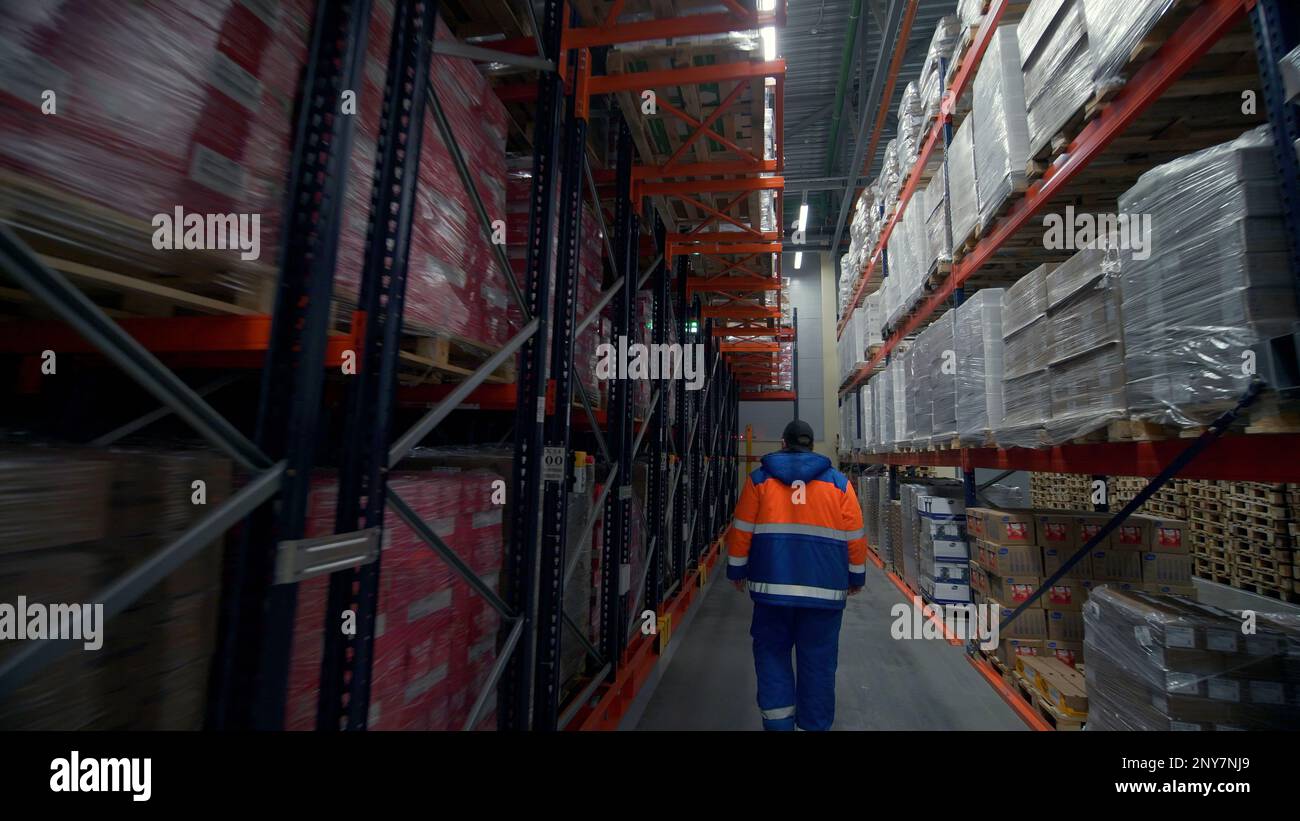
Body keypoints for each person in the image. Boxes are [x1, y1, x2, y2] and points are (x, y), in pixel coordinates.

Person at [725, 419, 866, 731]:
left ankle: (779, 725)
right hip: (824, 593)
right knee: (818, 663)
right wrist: (856, 577)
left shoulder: (759, 480)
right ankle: (813, 726)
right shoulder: (839, 484)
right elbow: (855, 535)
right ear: (812, 447)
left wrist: (736, 570)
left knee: (771, 656)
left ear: (783, 444)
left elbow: (742, 529)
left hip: (772, 591)